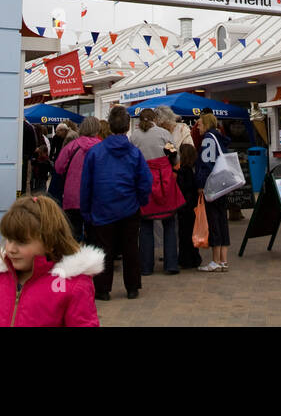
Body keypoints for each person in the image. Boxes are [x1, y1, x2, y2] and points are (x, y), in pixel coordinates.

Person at [0, 195, 103, 327]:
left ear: (50, 243)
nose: (11, 249)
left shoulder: (71, 286)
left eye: (22, 242)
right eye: (9, 239)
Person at [79, 105, 151, 300]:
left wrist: (85, 211)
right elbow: (145, 180)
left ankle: (103, 289)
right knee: (130, 248)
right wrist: (140, 200)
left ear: (109, 125)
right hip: (128, 207)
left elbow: (86, 183)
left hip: (102, 208)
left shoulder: (96, 152)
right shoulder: (134, 153)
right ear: (128, 127)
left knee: (104, 249)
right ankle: (132, 287)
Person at [130, 108, 183, 276]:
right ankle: (171, 264)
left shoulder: (134, 137)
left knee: (145, 225)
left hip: (144, 181)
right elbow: (174, 156)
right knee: (169, 222)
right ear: (155, 119)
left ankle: (146, 266)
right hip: (164, 179)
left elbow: (131, 160)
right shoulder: (163, 134)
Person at [196, 112, 232, 273]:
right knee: (223, 220)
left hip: (213, 184)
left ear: (206, 124)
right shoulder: (219, 137)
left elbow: (206, 162)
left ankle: (215, 260)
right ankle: (224, 260)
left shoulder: (208, 139)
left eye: (200, 124)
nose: (197, 127)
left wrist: (201, 184)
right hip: (223, 183)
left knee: (214, 221)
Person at [56, 116, 102, 242]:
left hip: (72, 196)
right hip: (94, 197)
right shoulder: (102, 147)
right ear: (97, 129)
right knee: (93, 237)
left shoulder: (71, 146)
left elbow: (59, 167)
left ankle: (73, 260)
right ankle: (90, 260)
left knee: (73, 236)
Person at [175, 143, 202, 268]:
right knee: (191, 233)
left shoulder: (182, 171)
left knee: (184, 234)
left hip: (184, 207)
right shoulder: (193, 171)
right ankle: (194, 257)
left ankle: (185, 259)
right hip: (192, 205)